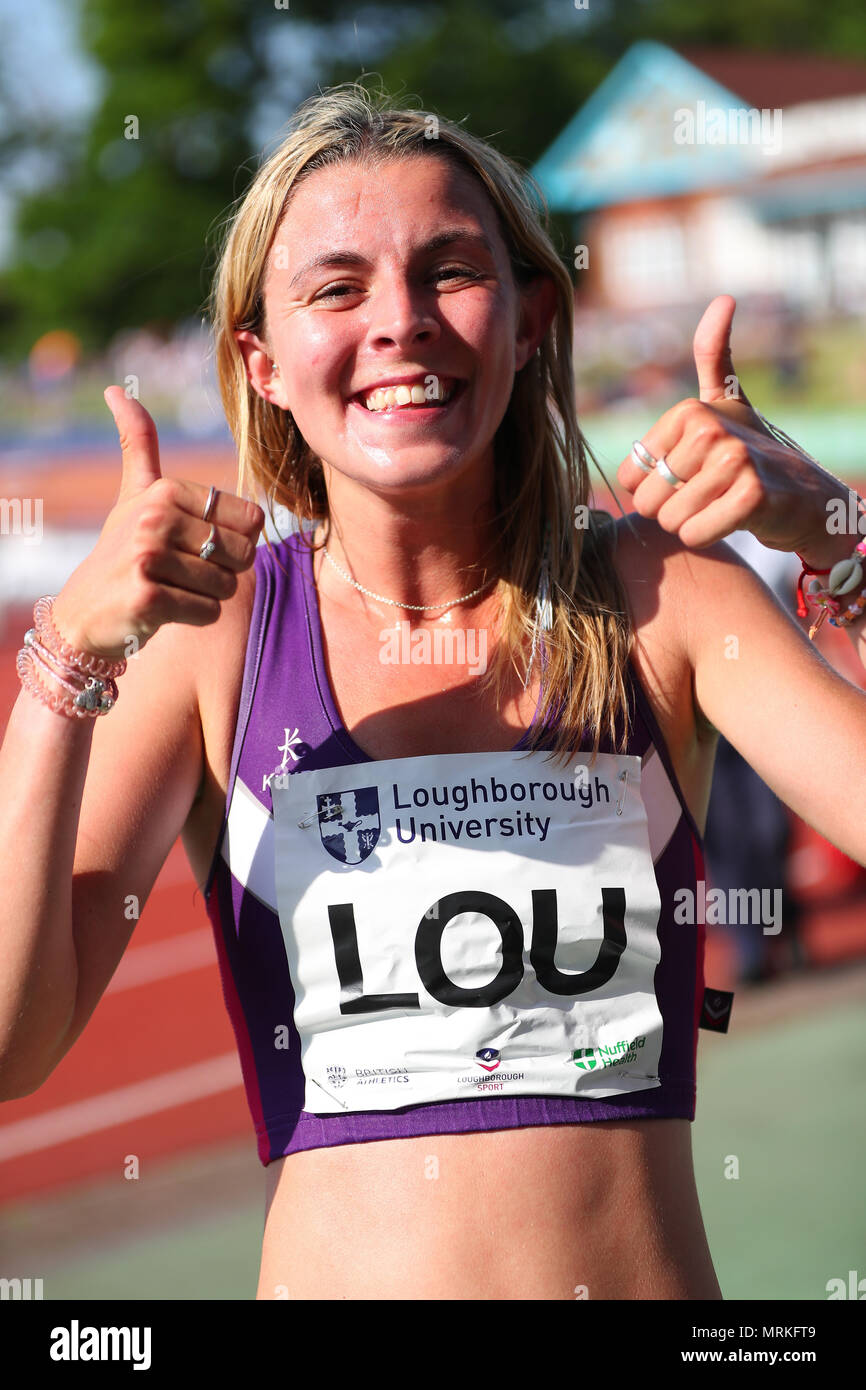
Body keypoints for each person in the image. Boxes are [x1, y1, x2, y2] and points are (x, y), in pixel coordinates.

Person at [1, 84, 865, 1302]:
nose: (398, 324)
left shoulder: (655, 594)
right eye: (336, 287)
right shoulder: (216, 639)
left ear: (528, 319)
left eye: (448, 271)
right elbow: (9, 1044)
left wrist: (839, 537)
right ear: (261, 359)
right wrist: (66, 658)